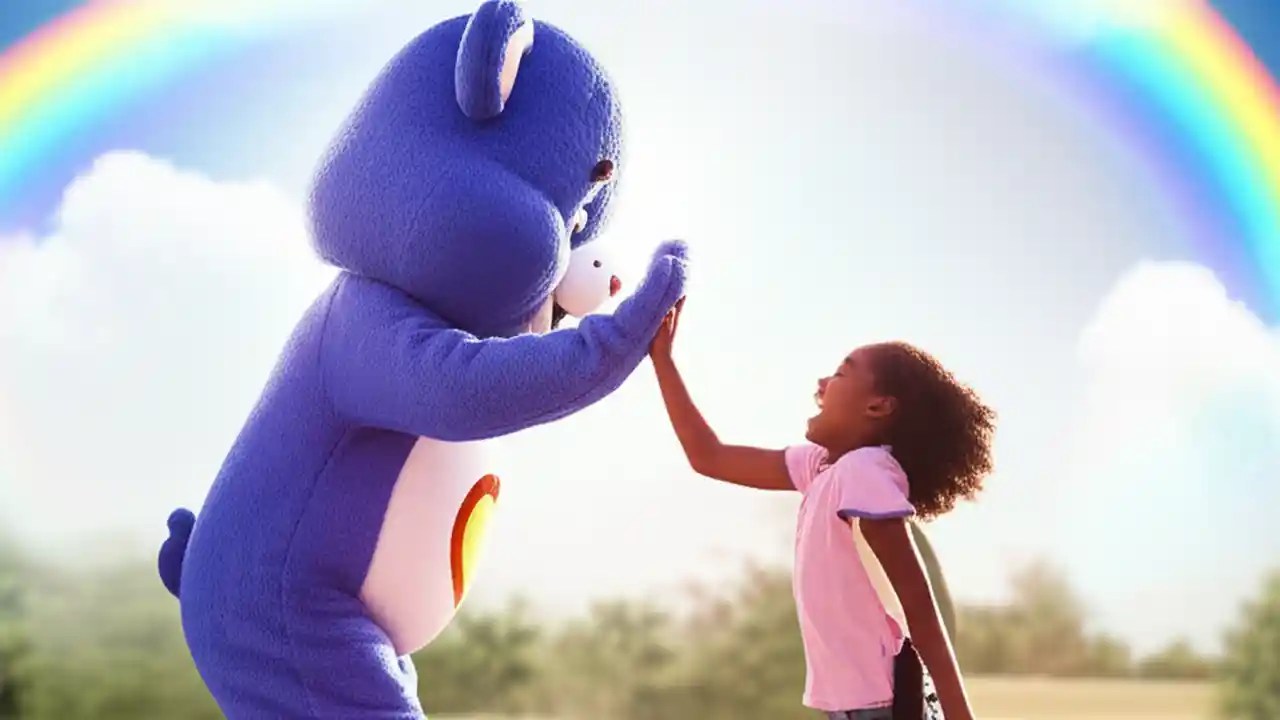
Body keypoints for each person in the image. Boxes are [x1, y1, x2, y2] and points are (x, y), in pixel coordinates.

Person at [649, 299, 995, 720]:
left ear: (878, 406)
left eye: (841, 372)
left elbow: (921, 612)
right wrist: (663, 360)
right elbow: (709, 456)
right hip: (851, 708)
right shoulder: (821, 469)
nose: (821, 382)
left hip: (881, 706)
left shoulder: (864, 471)